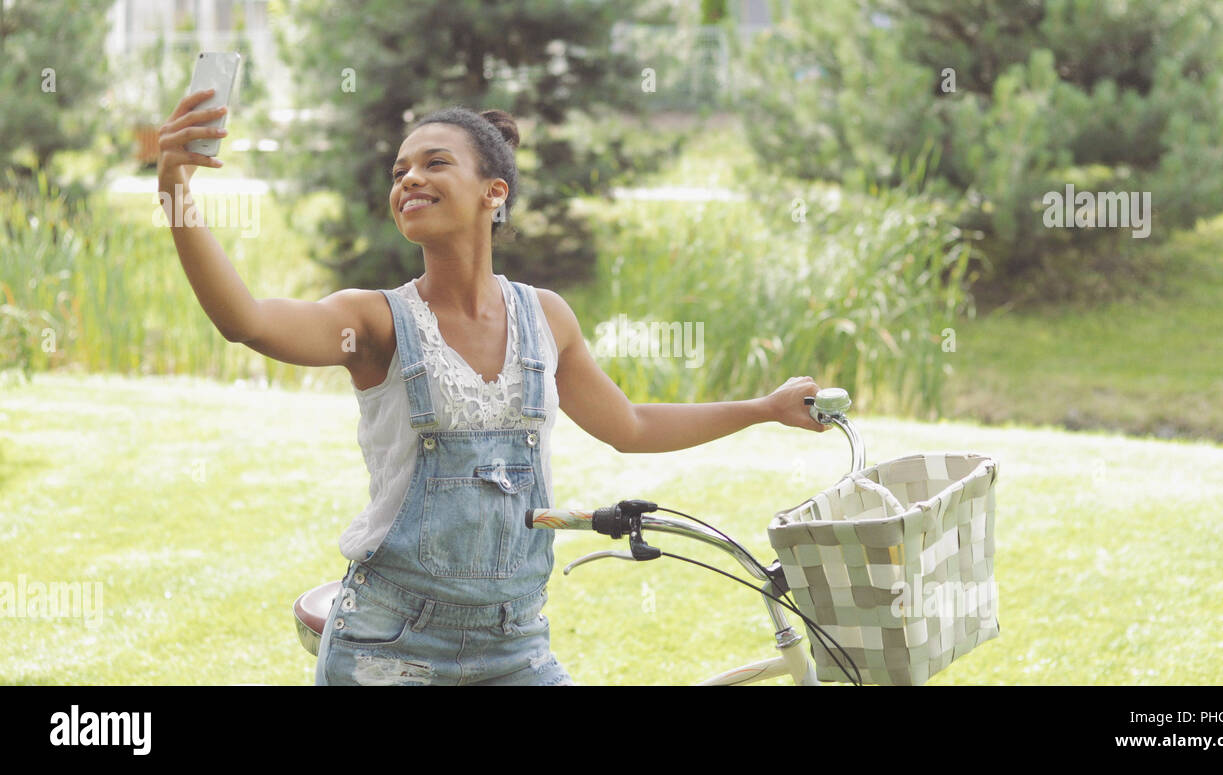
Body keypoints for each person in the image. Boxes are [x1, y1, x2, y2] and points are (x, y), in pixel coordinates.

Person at [157, 90, 828, 685]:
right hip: (388, 646)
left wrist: (764, 408)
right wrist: (174, 183)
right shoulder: (374, 321)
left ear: (493, 191)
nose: (410, 178)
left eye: (434, 162)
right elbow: (245, 321)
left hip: (516, 645)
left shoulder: (547, 318)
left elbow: (632, 426)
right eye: (400, 171)